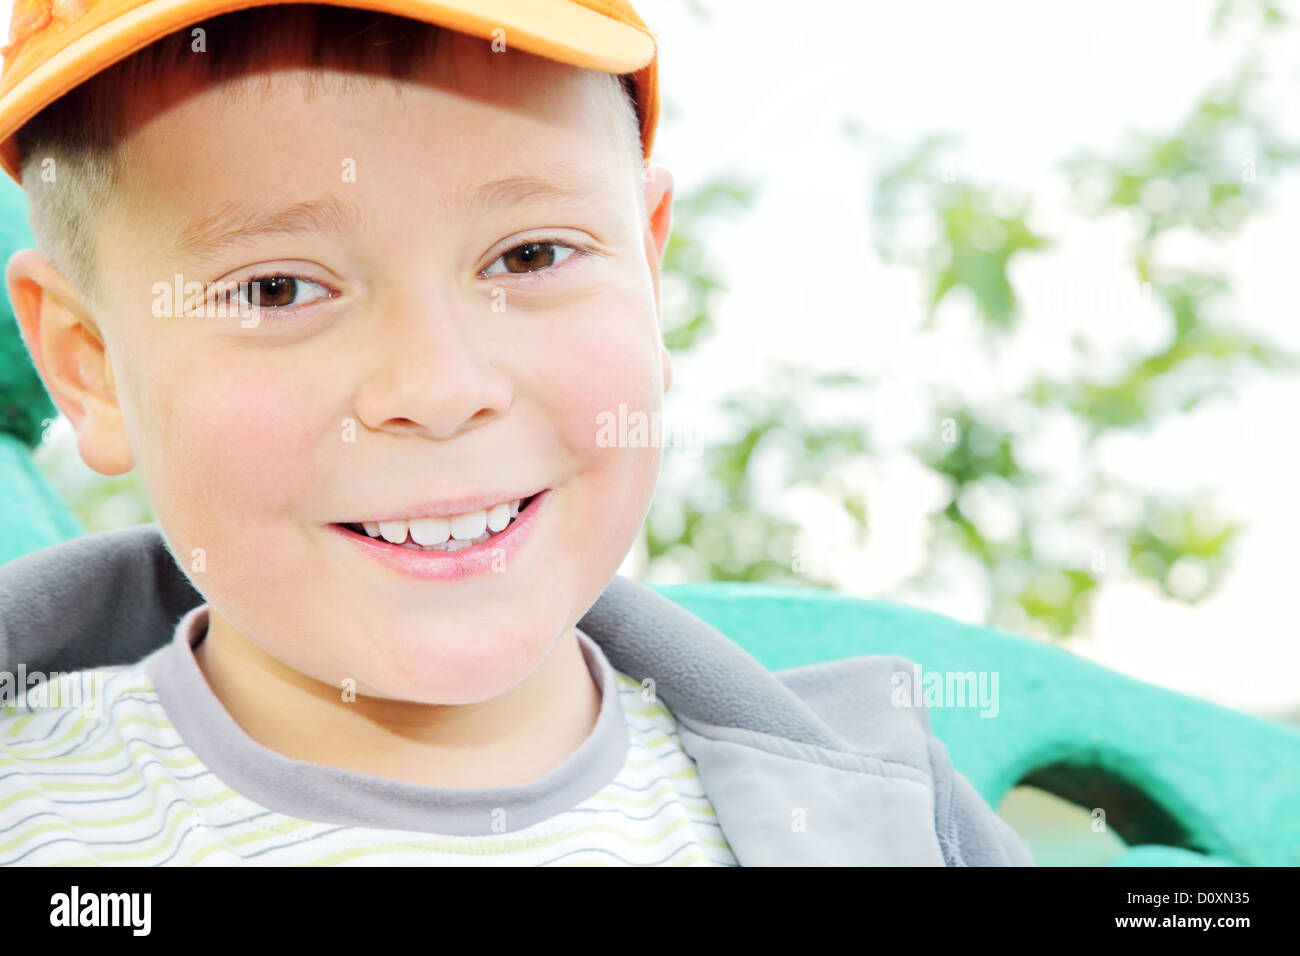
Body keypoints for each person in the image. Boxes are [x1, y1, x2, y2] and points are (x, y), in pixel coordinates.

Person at [0, 0, 1033, 866]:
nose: (441, 386)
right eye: (276, 287)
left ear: (648, 269)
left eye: (530, 256)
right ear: (88, 365)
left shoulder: (890, 819)